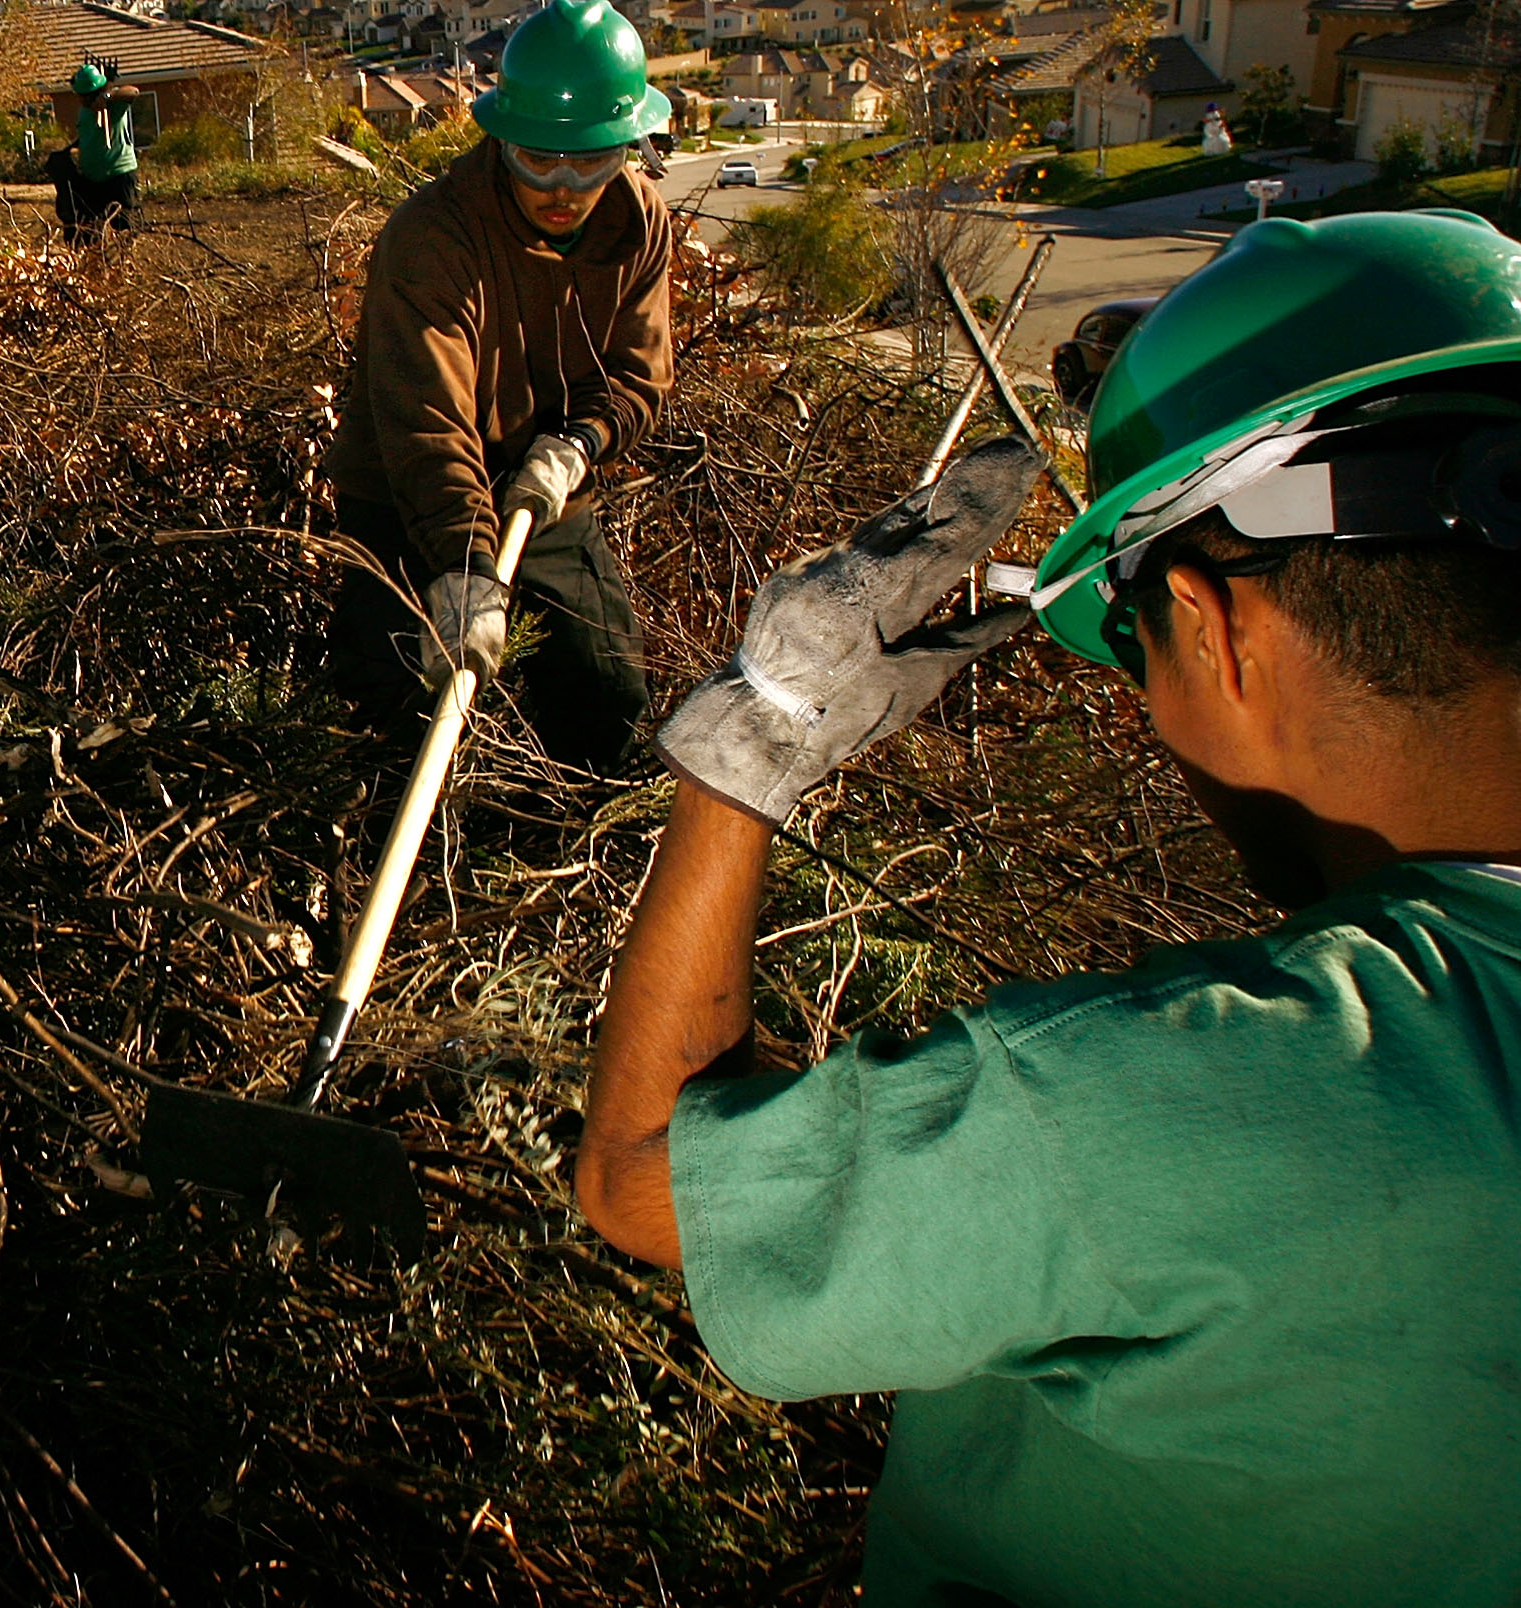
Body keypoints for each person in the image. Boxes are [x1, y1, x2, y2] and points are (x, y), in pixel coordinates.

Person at [578, 209, 1521, 1604]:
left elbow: (642, 1178)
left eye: (1136, 644)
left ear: (1213, 625)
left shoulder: (1164, 1102)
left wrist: (744, 752)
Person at [323, 0, 679, 769]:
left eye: (591, 160)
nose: (563, 186)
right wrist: (465, 567)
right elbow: (426, 420)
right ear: (500, 136)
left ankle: (574, 836)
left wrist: (580, 445)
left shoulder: (640, 223)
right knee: (390, 707)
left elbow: (638, 369)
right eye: (536, 157)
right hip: (410, 495)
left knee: (605, 693)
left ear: (630, 147)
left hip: (548, 486)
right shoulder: (432, 238)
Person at [52, 60, 142, 241]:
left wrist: (108, 97)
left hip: (119, 176)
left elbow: (133, 91)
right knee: (88, 230)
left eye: (85, 96)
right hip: (94, 179)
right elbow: (89, 137)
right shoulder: (85, 111)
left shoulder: (112, 105)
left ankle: (124, 263)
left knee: (124, 227)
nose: (81, 99)